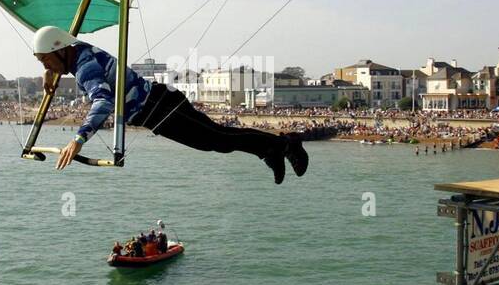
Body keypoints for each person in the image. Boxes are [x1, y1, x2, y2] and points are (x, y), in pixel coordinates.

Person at [31, 26, 308, 183]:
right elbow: (58, 55)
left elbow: (102, 100)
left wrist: (78, 139)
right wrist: (49, 71)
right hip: (156, 110)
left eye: (46, 60)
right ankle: (269, 150)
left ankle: (285, 144)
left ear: (60, 50)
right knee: (214, 140)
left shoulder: (83, 67)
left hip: (161, 106)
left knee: (218, 138)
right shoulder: (77, 52)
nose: (46, 65)